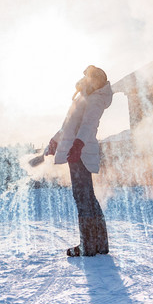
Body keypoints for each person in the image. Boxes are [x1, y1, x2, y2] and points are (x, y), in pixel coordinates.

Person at [46, 65, 113, 257]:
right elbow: (68, 125)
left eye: (95, 79)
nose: (91, 81)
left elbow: (89, 124)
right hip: (77, 151)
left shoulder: (95, 98)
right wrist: (55, 141)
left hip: (81, 153)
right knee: (87, 197)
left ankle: (88, 245)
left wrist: (78, 144)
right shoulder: (85, 97)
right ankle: (99, 244)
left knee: (83, 197)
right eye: (91, 78)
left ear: (100, 82)